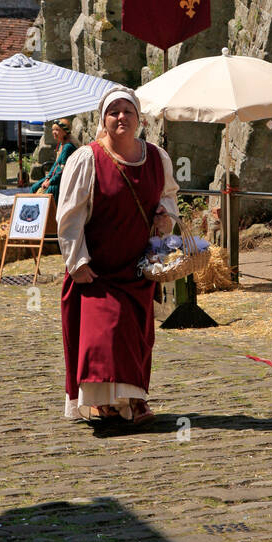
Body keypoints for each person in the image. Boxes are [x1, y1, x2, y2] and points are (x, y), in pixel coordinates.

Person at [57, 88, 179, 428]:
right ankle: (107, 405)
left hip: (137, 267)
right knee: (104, 336)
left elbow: (168, 197)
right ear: (103, 120)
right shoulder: (86, 158)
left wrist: (163, 218)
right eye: (114, 112)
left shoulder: (157, 158)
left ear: (139, 118)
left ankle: (134, 399)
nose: (121, 117)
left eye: (128, 111)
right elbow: (70, 216)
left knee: (136, 338)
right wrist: (77, 262)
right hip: (97, 269)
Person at [34, 119, 77, 206]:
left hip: (61, 180)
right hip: (54, 176)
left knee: (47, 192)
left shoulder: (67, 147)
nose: (54, 132)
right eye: (53, 130)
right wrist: (47, 178)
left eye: (57, 130)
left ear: (65, 132)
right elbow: (55, 165)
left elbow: (63, 170)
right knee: (34, 187)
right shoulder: (61, 144)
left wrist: (50, 182)